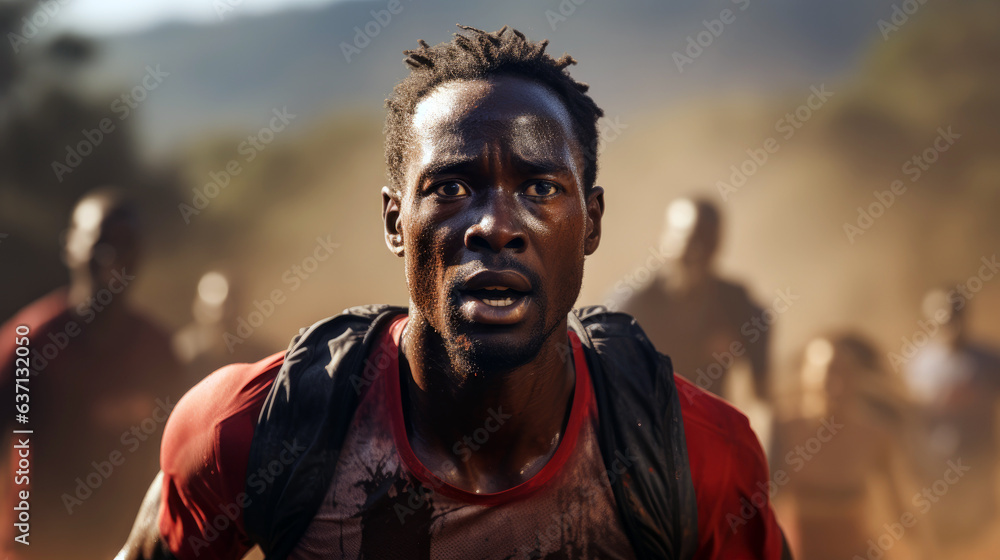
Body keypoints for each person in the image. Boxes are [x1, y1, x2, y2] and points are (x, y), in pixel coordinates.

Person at [119, 26, 790, 560]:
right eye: (451, 188)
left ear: (592, 222)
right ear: (393, 221)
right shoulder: (251, 431)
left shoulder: (699, 458)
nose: (496, 226)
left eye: (541, 189)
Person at [0, 188, 181, 559]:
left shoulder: (159, 352)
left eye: (125, 242)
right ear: (70, 246)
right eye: (100, 241)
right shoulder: (30, 344)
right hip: (36, 547)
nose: (113, 256)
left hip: (125, 547)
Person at [776, 334, 929, 560]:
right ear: (807, 375)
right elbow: (757, 503)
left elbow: (899, 508)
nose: (836, 383)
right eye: (829, 371)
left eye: (844, 372)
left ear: (856, 379)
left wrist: (928, 550)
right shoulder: (783, 432)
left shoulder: (874, 437)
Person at [614, 197, 770, 403]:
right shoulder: (633, 305)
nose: (697, 253)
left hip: (710, 423)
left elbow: (762, 395)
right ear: (666, 240)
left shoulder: (736, 302)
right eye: (688, 241)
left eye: (707, 242)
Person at [904, 287, 1000, 546]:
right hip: (936, 464)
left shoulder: (989, 359)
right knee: (943, 532)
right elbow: (911, 417)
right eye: (942, 314)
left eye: (955, 312)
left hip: (978, 457)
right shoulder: (917, 363)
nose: (949, 320)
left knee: (980, 530)